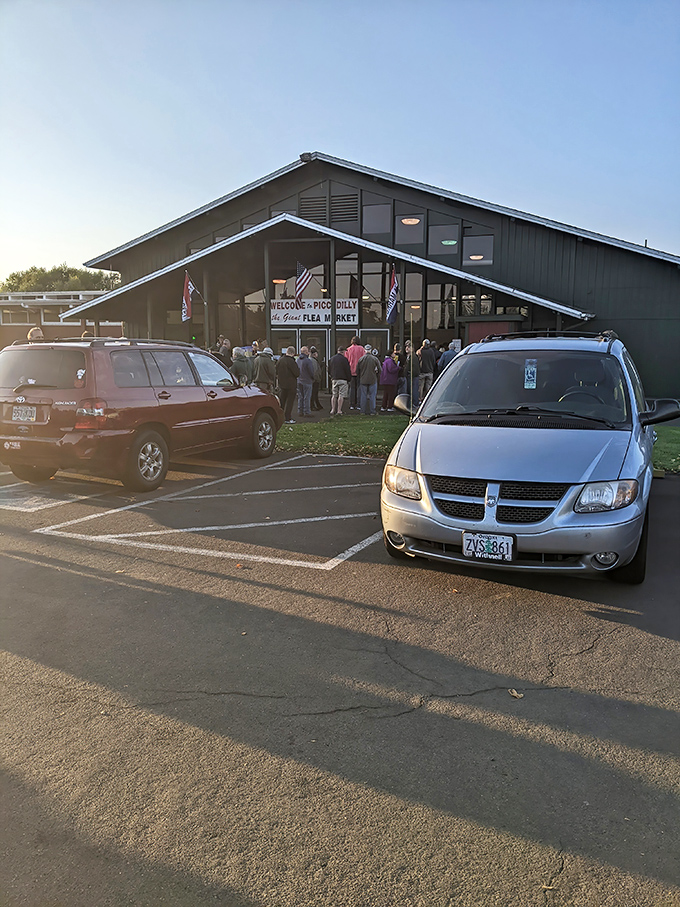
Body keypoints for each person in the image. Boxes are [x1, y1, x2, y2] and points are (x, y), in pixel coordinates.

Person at [276, 346, 300, 423]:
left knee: (282, 402)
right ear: (293, 353)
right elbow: (297, 373)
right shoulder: (291, 361)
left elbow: (276, 371)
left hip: (282, 384)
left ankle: (280, 417)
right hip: (291, 385)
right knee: (290, 402)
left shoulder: (280, 360)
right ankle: (287, 418)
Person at [357, 344, 380, 415]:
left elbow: (357, 370)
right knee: (372, 396)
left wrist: (360, 376)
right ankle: (372, 411)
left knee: (363, 396)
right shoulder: (375, 359)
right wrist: (377, 375)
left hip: (363, 379)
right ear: (371, 350)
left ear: (364, 350)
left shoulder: (361, 359)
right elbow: (380, 369)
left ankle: (362, 411)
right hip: (373, 379)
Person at [328, 345, 351, 415]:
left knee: (334, 395)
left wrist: (331, 376)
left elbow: (329, 369)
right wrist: (349, 379)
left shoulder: (332, 359)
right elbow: (347, 370)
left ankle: (332, 409)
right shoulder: (344, 359)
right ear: (343, 352)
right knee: (341, 395)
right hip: (343, 379)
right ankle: (339, 410)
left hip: (334, 379)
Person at [344, 336, 365, 410]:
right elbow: (363, 360)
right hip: (360, 371)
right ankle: (359, 404)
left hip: (351, 371)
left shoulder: (348, 349)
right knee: (359, 387)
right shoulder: (362, 349)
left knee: (352, 388)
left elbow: (346, 361)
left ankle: (352, 404)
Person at [296, 346, 316, 417]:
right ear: (305, 352)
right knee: (307, 397)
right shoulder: (308, 361)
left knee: (300, 397)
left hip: (299, 380)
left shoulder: (297, 360)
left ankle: (300, 411)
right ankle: (307, 412)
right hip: (307, 380)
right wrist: (313, 378)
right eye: (307, 351)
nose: (308, 352)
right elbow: (311, 371)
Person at [405, 340, 420, 408]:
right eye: (406, 347)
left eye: (409, 347)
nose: (407, 348)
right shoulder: (409, 357)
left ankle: (415, 404)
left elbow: (415, 368)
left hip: (413, 377)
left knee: (414, 391)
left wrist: (410, 374)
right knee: (410, 391)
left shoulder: (413, 357)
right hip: (410, 376)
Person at [309, 346, 323, 411]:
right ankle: (312, 406)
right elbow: (315, 371)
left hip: (313, 380)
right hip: (314, 380)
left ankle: (317, 405)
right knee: (313, 393)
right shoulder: (313, 361)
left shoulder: (311, 360)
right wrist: (316, 379)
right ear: (314, 354)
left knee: (313, 393)